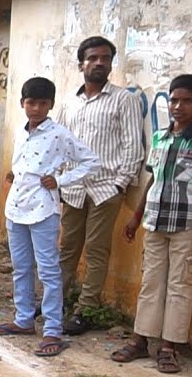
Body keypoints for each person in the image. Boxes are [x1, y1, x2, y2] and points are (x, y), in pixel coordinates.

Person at [110, 74, 192, 374]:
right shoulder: (159, 136)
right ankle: (140, 339)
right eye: (174, 100)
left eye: (187, 101)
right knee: (151, 282)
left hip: (190, 224)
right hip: (155, 222)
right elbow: (153, 180)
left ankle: (169, 346)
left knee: (181, 285)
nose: (179, 106)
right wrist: (136, 216)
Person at [0, 77, 98, 357]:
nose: (36, 108)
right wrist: (16, 173)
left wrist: (61, 180)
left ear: (50, 105)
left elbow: (90, 161)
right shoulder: (21, 130)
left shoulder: (59, 134)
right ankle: (24, 319)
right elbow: (23, 161)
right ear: (23, 103)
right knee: (21, 267)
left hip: (43, 210)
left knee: (48, 270)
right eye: (31, 103)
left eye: (42, 103)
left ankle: (52, 329)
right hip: (16, 207)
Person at [58, 36, 145, 335]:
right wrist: (58, 181)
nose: (99, 63)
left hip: (106, 189)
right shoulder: (69, 102)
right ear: (81, 63)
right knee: (67, 247)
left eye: (105, 58)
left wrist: (120, 186)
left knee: (96, 251)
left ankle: (86, 310)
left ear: (110, 63)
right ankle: (55, 301)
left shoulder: (124, 99)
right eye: (93, 58)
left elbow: (134, 146)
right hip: (72, 190)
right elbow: (59, 144)